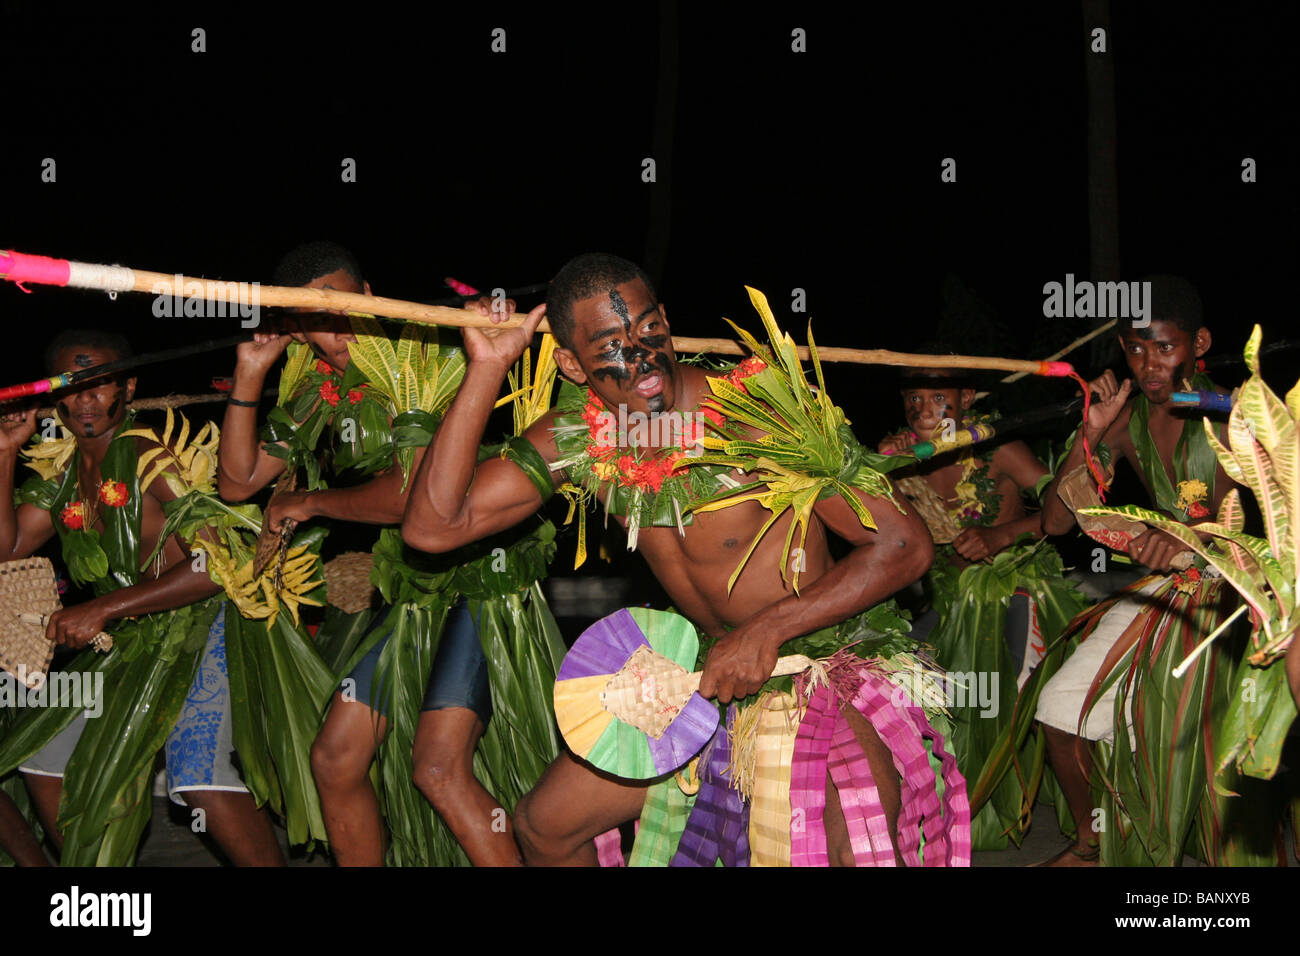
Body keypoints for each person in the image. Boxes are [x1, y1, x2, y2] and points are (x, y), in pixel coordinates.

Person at [403, 253, 939, 865]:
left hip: (816, 659)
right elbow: (433, 527)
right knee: (544, 826)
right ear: (572, 365)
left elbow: (902, 543)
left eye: (650, 331)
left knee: (859, 851)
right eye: (611, 344)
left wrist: (767, 630)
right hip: (701, 677)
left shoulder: (760, 415)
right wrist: (487, 367)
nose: (642, 358)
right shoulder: (577, 439)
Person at [219, 241, 560, 866]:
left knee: (436, 769)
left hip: (482, 582)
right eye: (313, 317)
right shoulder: (323, 389)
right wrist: (249, 372)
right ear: (295, 327)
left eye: (344, 305)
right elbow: (238, 483)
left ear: (371, 297)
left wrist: (314, 504)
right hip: (410, 590)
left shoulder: (424, 355)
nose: (336, 327)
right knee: (335, 758)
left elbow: (413, 499)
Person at [0, 330, 284, 865]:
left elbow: (213, 566)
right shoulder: (63, 471)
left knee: (198, 774)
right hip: (133, 636)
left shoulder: (151, 455)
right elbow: (9, 545)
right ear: (52, 398)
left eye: (99, 383)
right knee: (44, 755)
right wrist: (5, 452)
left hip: (205, 622)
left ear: (128, 387)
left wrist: (103, 606)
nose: (84, 400)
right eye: (71, 386)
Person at [1034, 276, 1240, 865]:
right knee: (1057, 709)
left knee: (1186, 744)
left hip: (1232, 599)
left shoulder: (1231, 415)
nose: (1149, 365)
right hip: (1161, 592)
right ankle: (1089, 841)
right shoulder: (1124, 421)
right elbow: (1054, 521)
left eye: (1165, 347)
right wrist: (1091, 433)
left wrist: (1188, 538)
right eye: (1135, 349)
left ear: (1199, 342)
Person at [878, 369, 1089, 848]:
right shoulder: (898, 457)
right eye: (913, 397)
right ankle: (926, 798)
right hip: (940, 593)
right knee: (902, 681)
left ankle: (995, 798)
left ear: (967, 397)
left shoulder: (1000, 449)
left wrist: (1001, 534)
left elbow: (1063, 513)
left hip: (1011, 584)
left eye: (939, 396)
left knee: (994, 689)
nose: (925, 409)